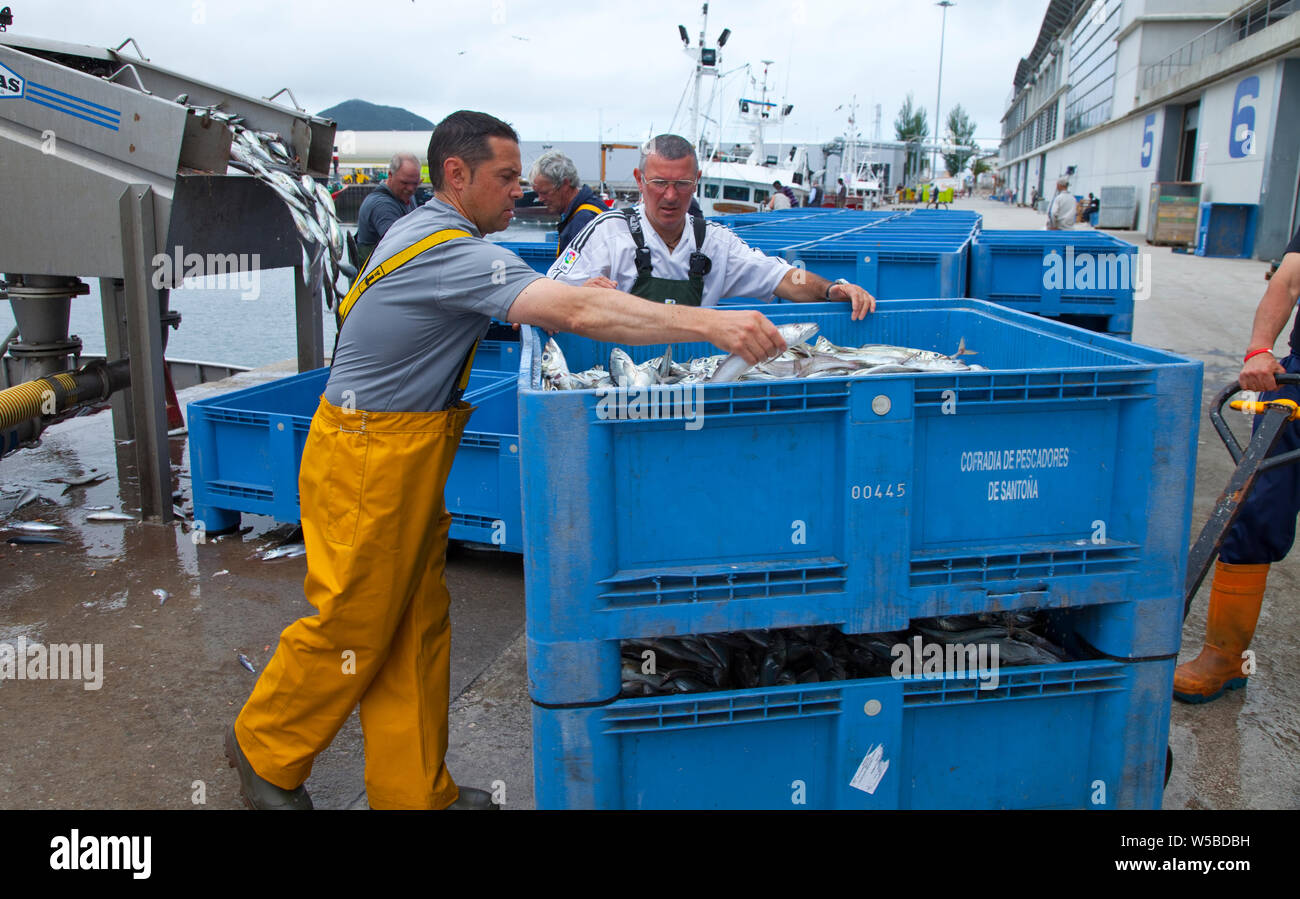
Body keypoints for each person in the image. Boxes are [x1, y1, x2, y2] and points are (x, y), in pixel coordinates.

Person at [224, 111, 788, 810]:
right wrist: (712, 322)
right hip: (366, 457)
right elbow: (569, 315)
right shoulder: (448, 248)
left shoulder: (433, 232)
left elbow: (536, 303)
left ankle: (411, 790)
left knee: (414, 623)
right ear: (456, 175)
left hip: (402, 451)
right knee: (352, 619)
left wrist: (586, 297)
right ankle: (264, 747)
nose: (518, 192)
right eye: (506, 177)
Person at [1174, 223, 1300, 704]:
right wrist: (1260, 349)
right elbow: (1288, 281)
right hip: (1297, 381)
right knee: (1254, 511)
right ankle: (1225, 657)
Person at [547, 133, 875, 314]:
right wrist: (575, 294)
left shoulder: (715, 242)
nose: (671, 196)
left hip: (693, 385)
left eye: (683, 184)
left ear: (697, 181)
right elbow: (547, 295)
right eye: (660, 182)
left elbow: (783, 277)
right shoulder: (607, 233)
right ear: (640, 180)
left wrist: (832, 289)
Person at [529, 150, 607, 257]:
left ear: (565, 184)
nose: (540, 199)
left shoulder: (582, 221)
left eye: (544, 193)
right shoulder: (592, 208)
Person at [355, 152, 421, 264]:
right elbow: (400, 246)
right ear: (390, 175)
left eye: (415, 183)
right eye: (404, 182)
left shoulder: (406, 194)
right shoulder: (381, 206)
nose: (410, 189)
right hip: (376, 277)